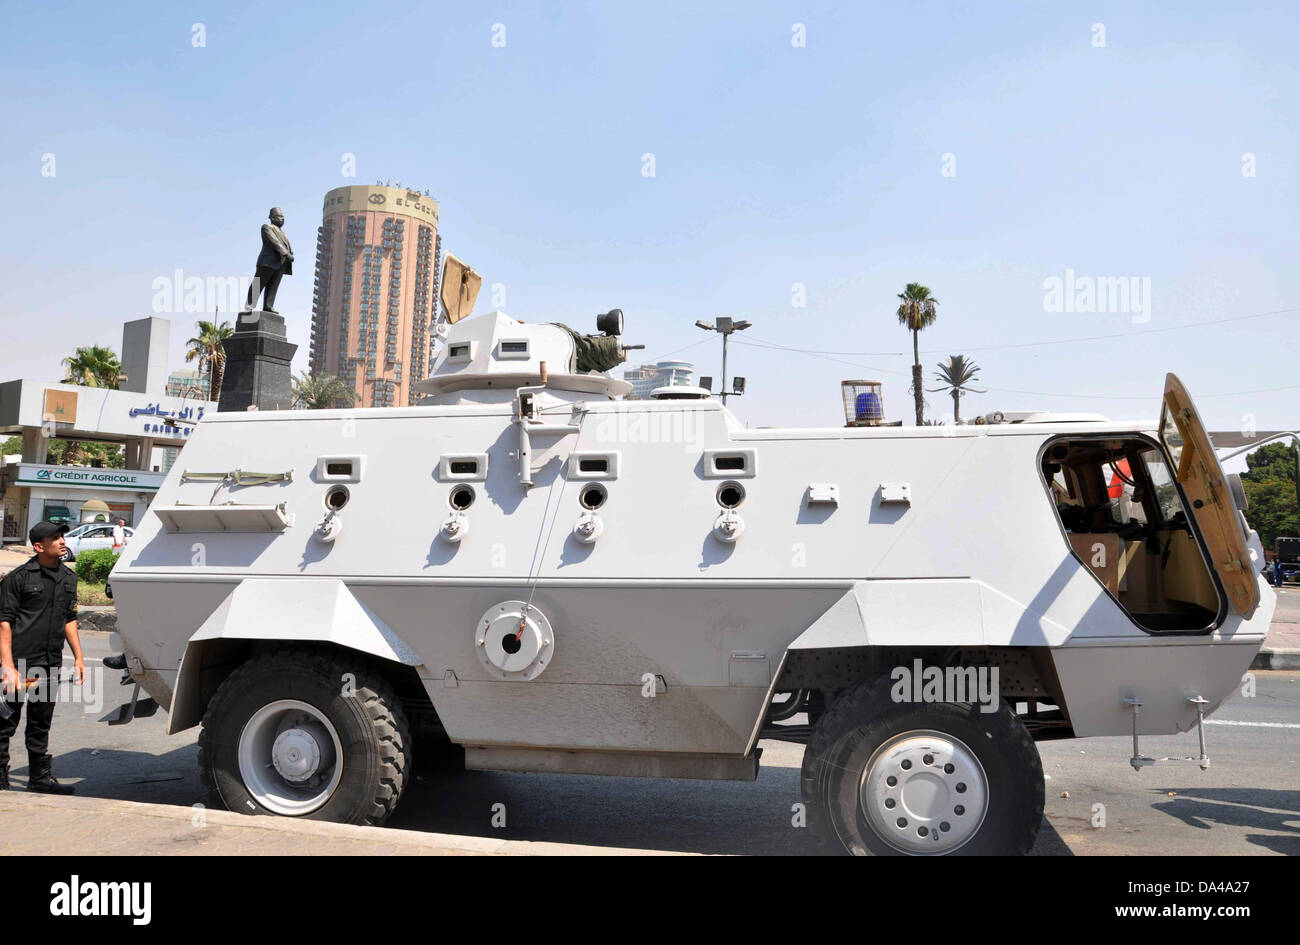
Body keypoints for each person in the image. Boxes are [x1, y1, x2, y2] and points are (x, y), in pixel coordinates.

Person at [0, 521, 85, 793]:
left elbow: (69, 619)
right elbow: (4, 622)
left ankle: (39, 779)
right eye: (55, 538)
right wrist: (8, 666)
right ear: (39, 547)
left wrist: (79, 658)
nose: (62, 541)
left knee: (40, 722)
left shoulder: (68, 579)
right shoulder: (19, 578)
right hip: (21, 661)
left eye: (62, 536)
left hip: (49, 663)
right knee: (5, 721)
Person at [243, 206, 294, 314]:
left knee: (273, 286)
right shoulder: (267, 227)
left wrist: (289, 255)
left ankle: (268, 306)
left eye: (283, 217)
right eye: (279, 217)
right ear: (272, 217)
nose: (282, 219)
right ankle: (249, 306)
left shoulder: (283, 232)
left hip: (281, 263)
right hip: (268, 262)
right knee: (258, 283)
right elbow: (274, 242)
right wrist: (286, 253)